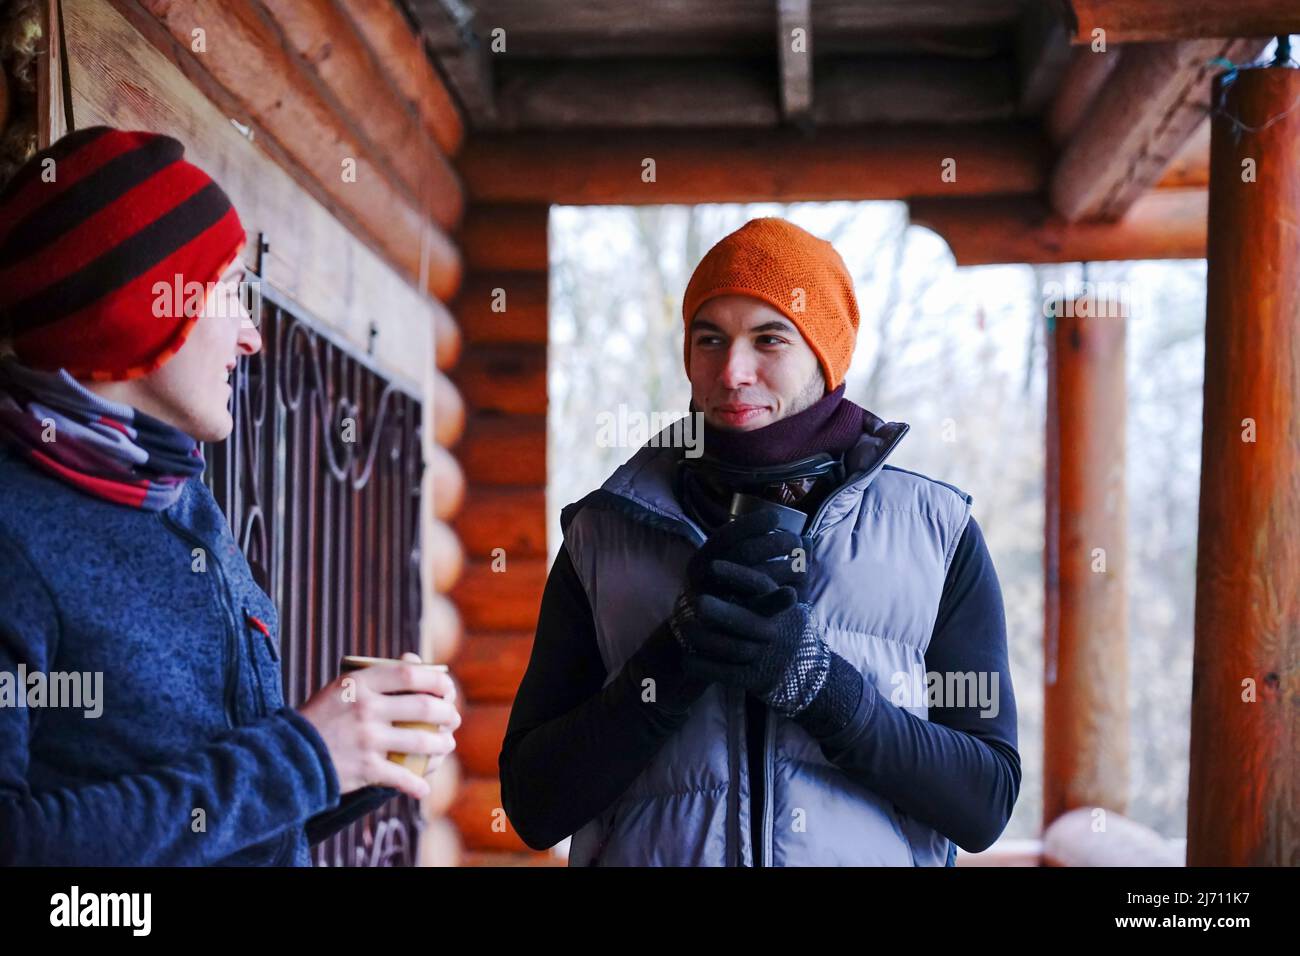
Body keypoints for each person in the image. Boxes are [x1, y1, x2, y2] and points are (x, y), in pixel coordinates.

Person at [0, 126, 460, 865]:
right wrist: (307, 757)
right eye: (226, 290)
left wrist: (357, 760)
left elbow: (219, 828)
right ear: (139, 305)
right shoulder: (13, 531)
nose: (251, 336)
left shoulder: (182, 502)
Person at [500, 216, 1021, 866]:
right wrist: (674, 659)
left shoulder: (936, 534)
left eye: (768, 339)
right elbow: (533, 804)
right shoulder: (605, 533)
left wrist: (818, 685)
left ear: (825, 354)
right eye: (709, 339)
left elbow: (985, 802)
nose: (732, 371)